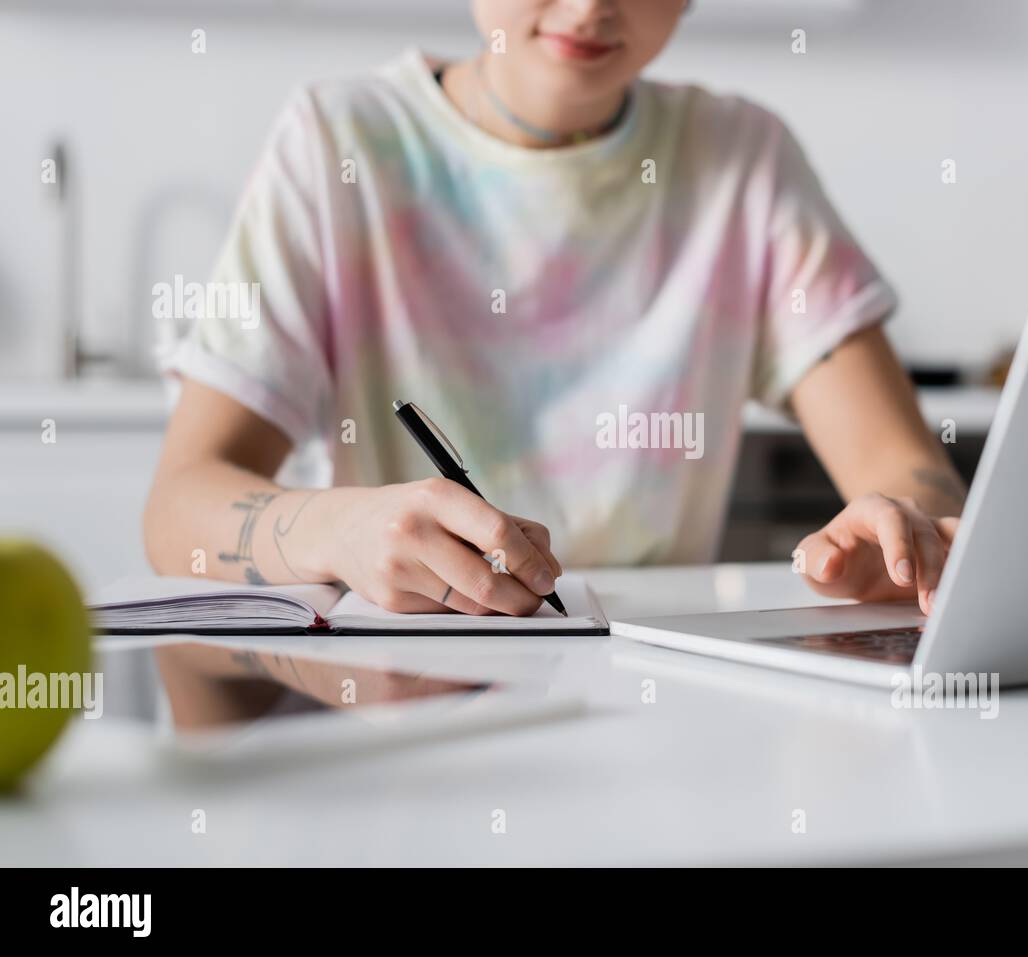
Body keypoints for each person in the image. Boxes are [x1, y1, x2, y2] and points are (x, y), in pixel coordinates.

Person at [144, 0, 966, 619]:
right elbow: (177, 508)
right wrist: (339, 530)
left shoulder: (743, 160)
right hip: (405, 684)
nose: (589, 7)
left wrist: (906, 530)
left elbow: (908, 470)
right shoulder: (336, 144)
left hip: (655, 691)